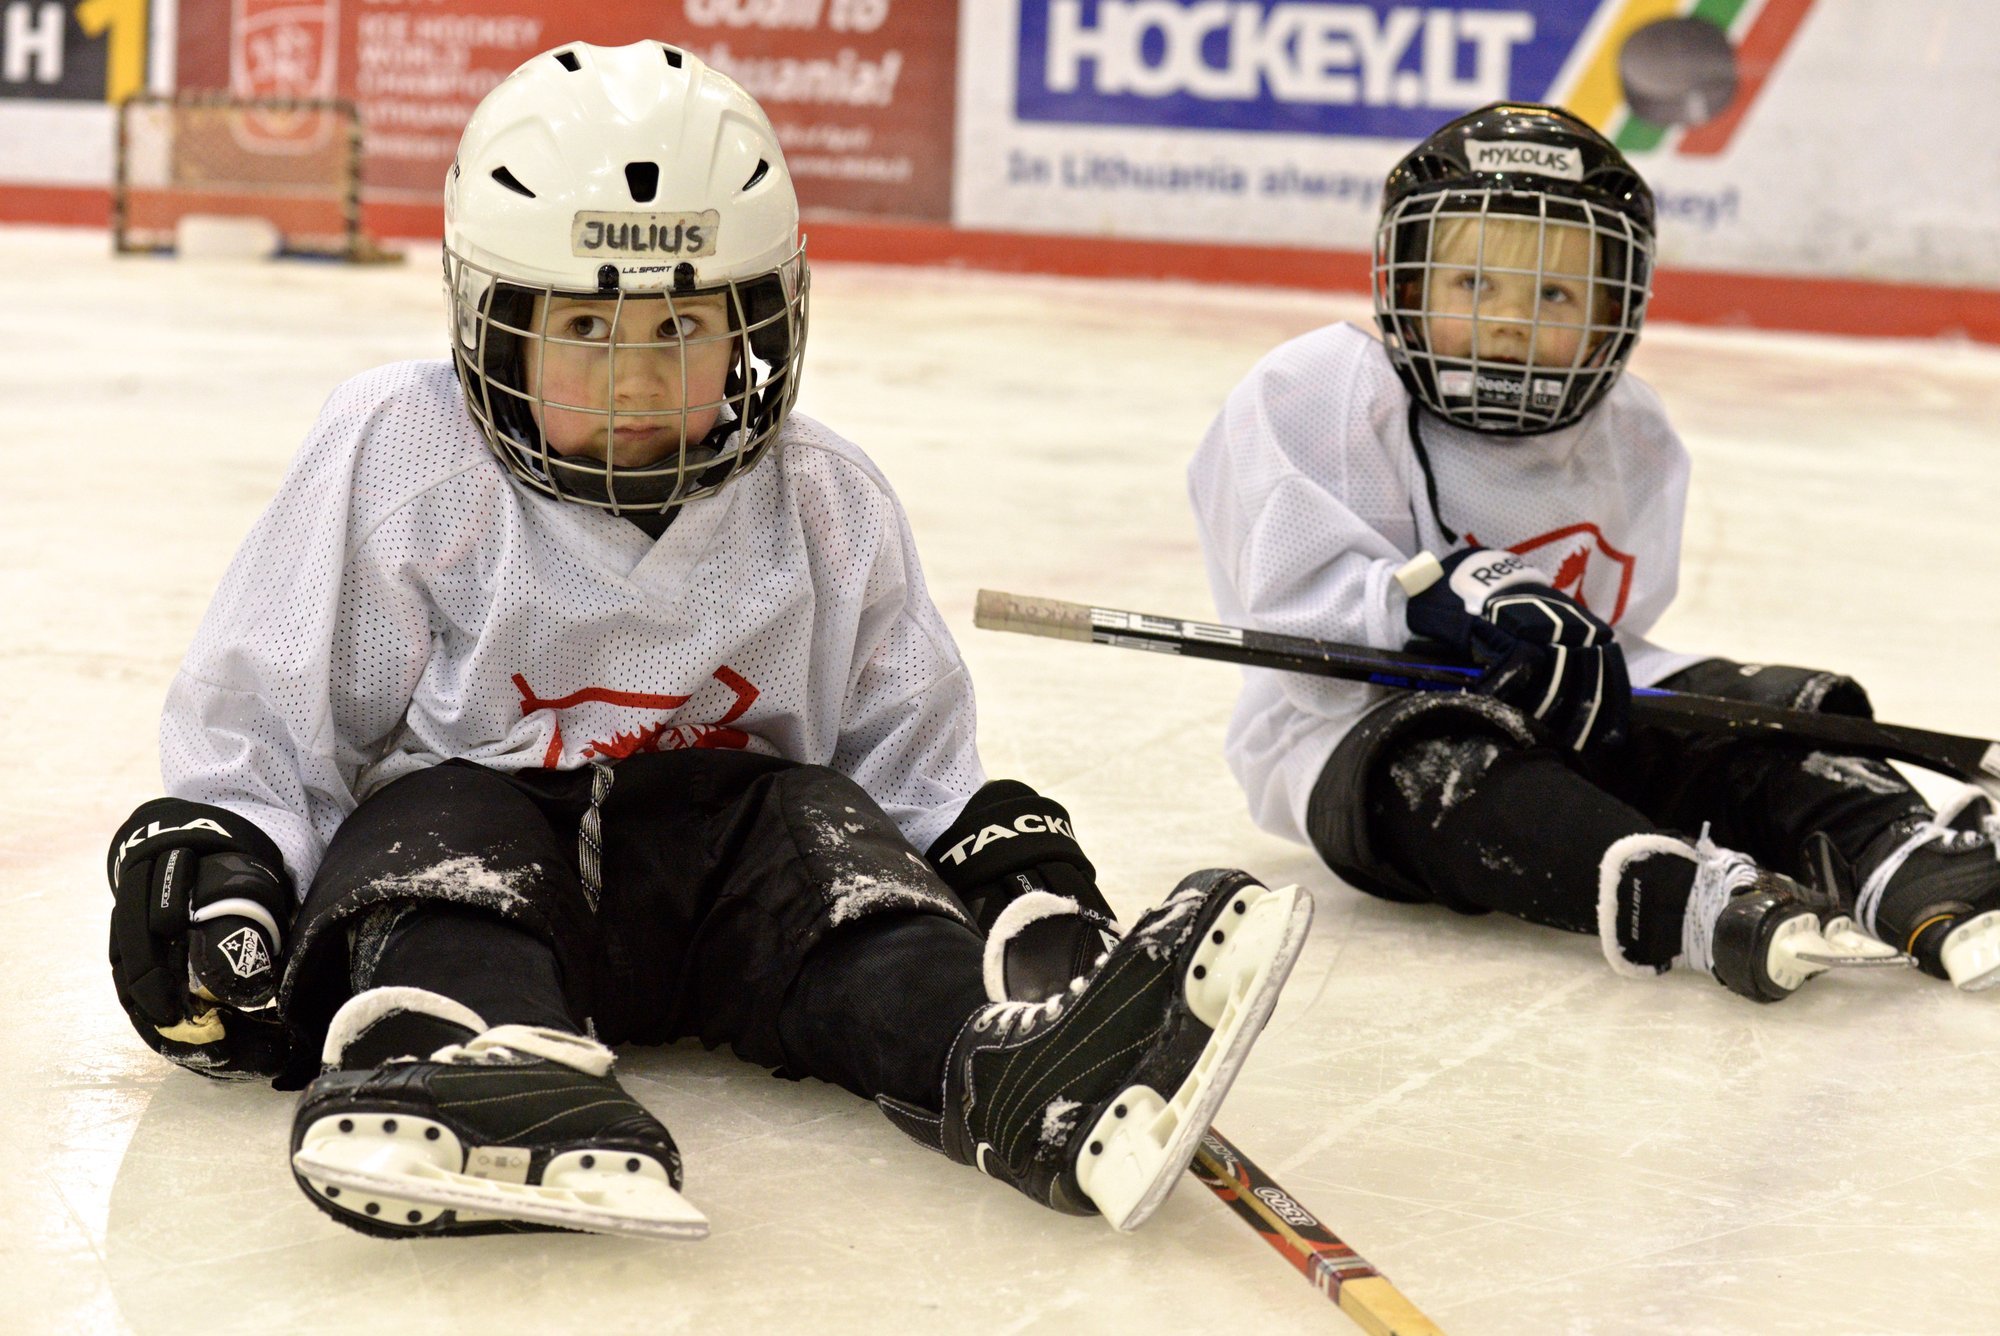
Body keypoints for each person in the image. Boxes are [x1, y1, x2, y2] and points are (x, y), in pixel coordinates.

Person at [105, 41, 1311, 1242]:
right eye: (585, 323)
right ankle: (457, 1061)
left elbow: (906, 771)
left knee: (815, 837)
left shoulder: (826, 498)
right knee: (442, 824)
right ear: (492, 322)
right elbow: (270, 726)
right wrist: (227, 854)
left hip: (729, 904)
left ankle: (1011, 1067)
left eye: (682, 323)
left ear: (758, 325)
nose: (636, 374)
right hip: (481, 860)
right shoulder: (404, 453)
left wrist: (999, 860)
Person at [1187, 102, 1999, 1004]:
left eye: (1555, 296)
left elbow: (1623, 633)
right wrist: (1432, 601)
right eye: (1473, 285)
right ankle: (1684, 900)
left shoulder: (1634, 433)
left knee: (1743, 713)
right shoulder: (1322, 390)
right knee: (1447, 776)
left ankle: (1893, 845)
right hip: (1346, 730)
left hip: (1549, 708)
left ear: (1617, 309)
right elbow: (1303, 640)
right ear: (1407, 283)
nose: (1507, 324)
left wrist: (1599, 675)